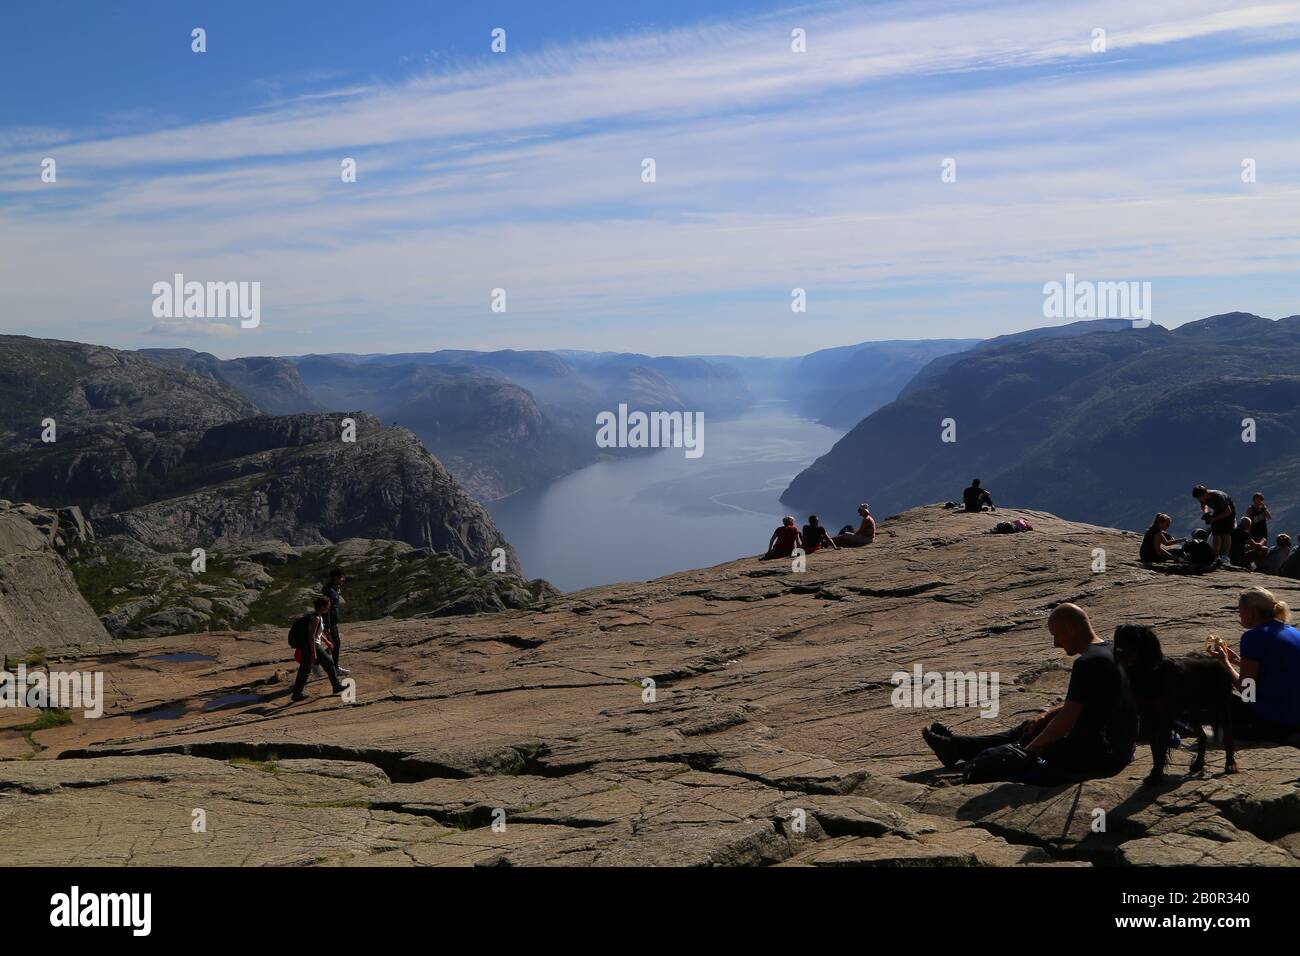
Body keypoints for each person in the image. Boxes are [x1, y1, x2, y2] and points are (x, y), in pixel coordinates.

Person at [922, 603, 1138, 784]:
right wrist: (1046, 715)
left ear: (1070, 628)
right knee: (1033, 725)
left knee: (1020, 748)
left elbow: (1066, 721)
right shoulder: (1110, 650)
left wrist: (1029, 751)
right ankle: (956, 746)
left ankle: (958, 748)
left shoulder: (1087, 663)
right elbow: (1095, 702)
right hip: (1121, 748)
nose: (1055, 643)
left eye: (1057, 635)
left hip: (1099, 755)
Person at [1209, 586, 1300, 741]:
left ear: (1251, 612)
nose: (1239, 615)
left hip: (1277, 719)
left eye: (1240, 610)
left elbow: (1247, 691)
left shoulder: (1252, 637)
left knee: (1213, 690)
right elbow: (1273, 668)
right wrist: (1237, 661)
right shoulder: (1293, 631)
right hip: (1296, 714)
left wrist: (1224, 663)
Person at [291, 596, 345, 702]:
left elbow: (318, 633)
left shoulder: (317, 616)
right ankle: (336, 686)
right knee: (329, 663)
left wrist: (327, 641)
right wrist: (314, 653)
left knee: (305, 669)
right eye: (327, 605)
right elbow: (312, 636)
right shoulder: (315, 618)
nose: (329, 607)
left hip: (309, 646)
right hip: (312, 646)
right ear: (322, 606)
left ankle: (296, 694)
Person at [1192, 484, 1235, 562]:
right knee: (1216, 533)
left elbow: (1228, 511)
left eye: (1199, 498)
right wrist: (1207, 513)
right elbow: (1203, 505)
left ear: (1205, 494)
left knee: (1225, 533)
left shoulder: (1218, 497)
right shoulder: (1202, 497)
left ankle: (1225, 556)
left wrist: (1214, 518)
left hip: (1228, 513)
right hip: (1217, 511)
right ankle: (1216, 556)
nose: (1199, 500)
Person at [323, 567, 349, 676]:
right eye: (341, 577)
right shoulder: (329, 591)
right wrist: (327, 626)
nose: (343, 579)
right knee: (335, 644)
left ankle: (322, 661)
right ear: (335, 578)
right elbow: (327, 609)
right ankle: (334, 668)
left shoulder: (332, 588)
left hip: (332, 622)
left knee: (334, 644)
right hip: (329, 623)